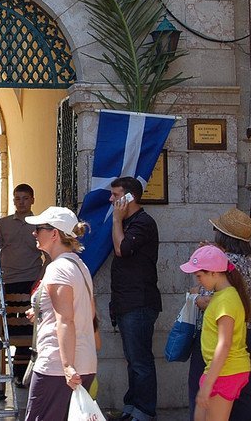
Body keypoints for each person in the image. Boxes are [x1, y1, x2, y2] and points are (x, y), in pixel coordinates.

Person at [23, 206, 96, 421]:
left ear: (54, 233)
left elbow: (66, 319)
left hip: (57, 366)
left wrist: (67, 366)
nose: (34, 233)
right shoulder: (80, 265)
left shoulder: (57, 268)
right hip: (82, 362)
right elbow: (87, 312)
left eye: (39, 228)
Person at [188, 208, 251, 421]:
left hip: (223, 340)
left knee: (205, 399)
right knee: (244, 402)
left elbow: (203, 299)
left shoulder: (225, 266)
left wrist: (195, 294)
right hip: (247, 335)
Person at [109, 176, 161, 421]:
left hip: (139, 302)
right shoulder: (128, 222)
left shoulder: (143, 223)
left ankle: (144, 410)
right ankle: (132, 405)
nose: (111, 200)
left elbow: (122, 250)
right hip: (125, 302)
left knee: (140, 360)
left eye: (116, 195)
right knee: (132, 359)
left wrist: (117, 220)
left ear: (130, 197)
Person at [180, 245, 251, 421]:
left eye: (199, 276)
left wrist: (208, 385)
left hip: (225, 371)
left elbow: (224, 344)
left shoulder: (226, 299)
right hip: (220, 370)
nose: (199, 281)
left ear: (214, 272)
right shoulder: (223, 296)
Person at [0, 183, 49, 384]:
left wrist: (41, 279)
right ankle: (15, 370)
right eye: (17, 198)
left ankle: (21, 373)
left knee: (29, 327)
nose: (21, 202)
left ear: (32, 199)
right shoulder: (2, 224)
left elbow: (48, 255)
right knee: (8, 328)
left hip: (32, 282)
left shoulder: (40, 224)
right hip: (8, 281)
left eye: (25, 198)